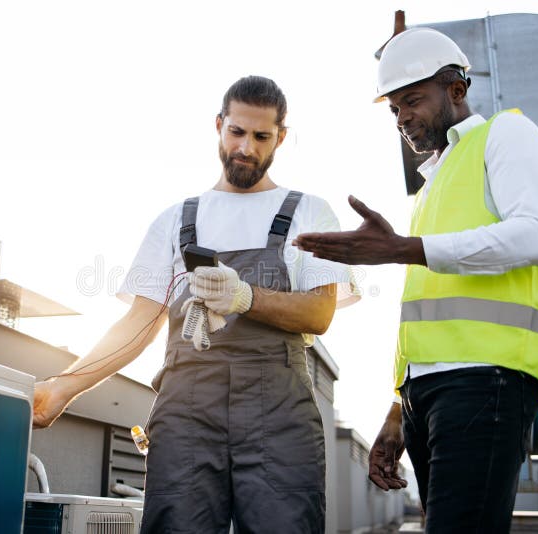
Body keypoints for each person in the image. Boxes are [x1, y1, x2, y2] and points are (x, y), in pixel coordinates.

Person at [32, 75, 357, 534]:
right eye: (237, 132)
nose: (246, 148)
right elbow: (140, 322)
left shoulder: (309, 212)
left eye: (262, 137)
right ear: (219, 125)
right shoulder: (177, 219)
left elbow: (319, 313)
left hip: (278, 410)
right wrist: (64, 387)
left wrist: (245, 296)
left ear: (281, 137)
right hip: (186, 408)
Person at [294, 28, 538, 532]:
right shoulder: (434, 182)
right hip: (432, 393)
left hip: (488, 377)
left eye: (412, 101)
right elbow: (433, 309)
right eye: (394, 108)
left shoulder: (507, 135)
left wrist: (404, 248)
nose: (401, 118)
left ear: (456, 90)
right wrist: (399, 410)